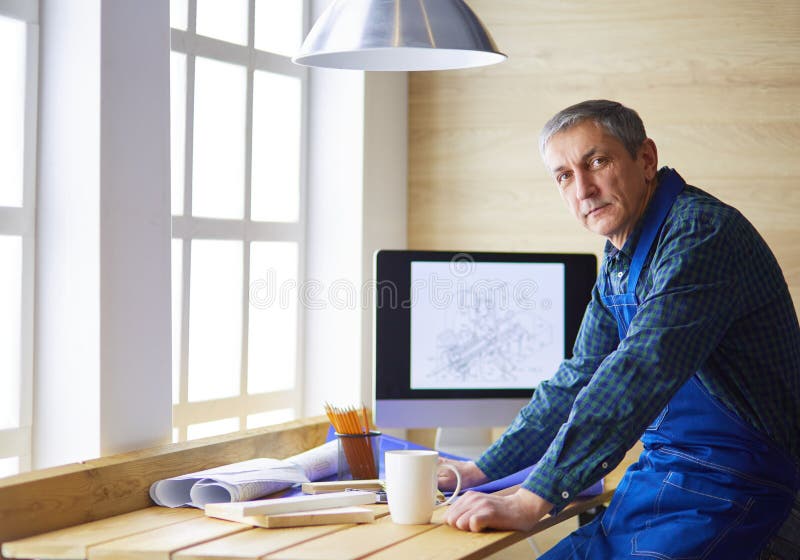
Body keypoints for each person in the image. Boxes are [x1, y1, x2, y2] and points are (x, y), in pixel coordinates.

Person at [438, 100, 800, 558]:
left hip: (744, 492)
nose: (583, 190)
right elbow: (577, 380)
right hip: (660, 483)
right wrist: (478, 471)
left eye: (597, 162)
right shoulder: (618, 261)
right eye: (564, 176)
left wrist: (533, 499)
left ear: (645, 159)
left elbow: (636, 373)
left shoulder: (701, 235)